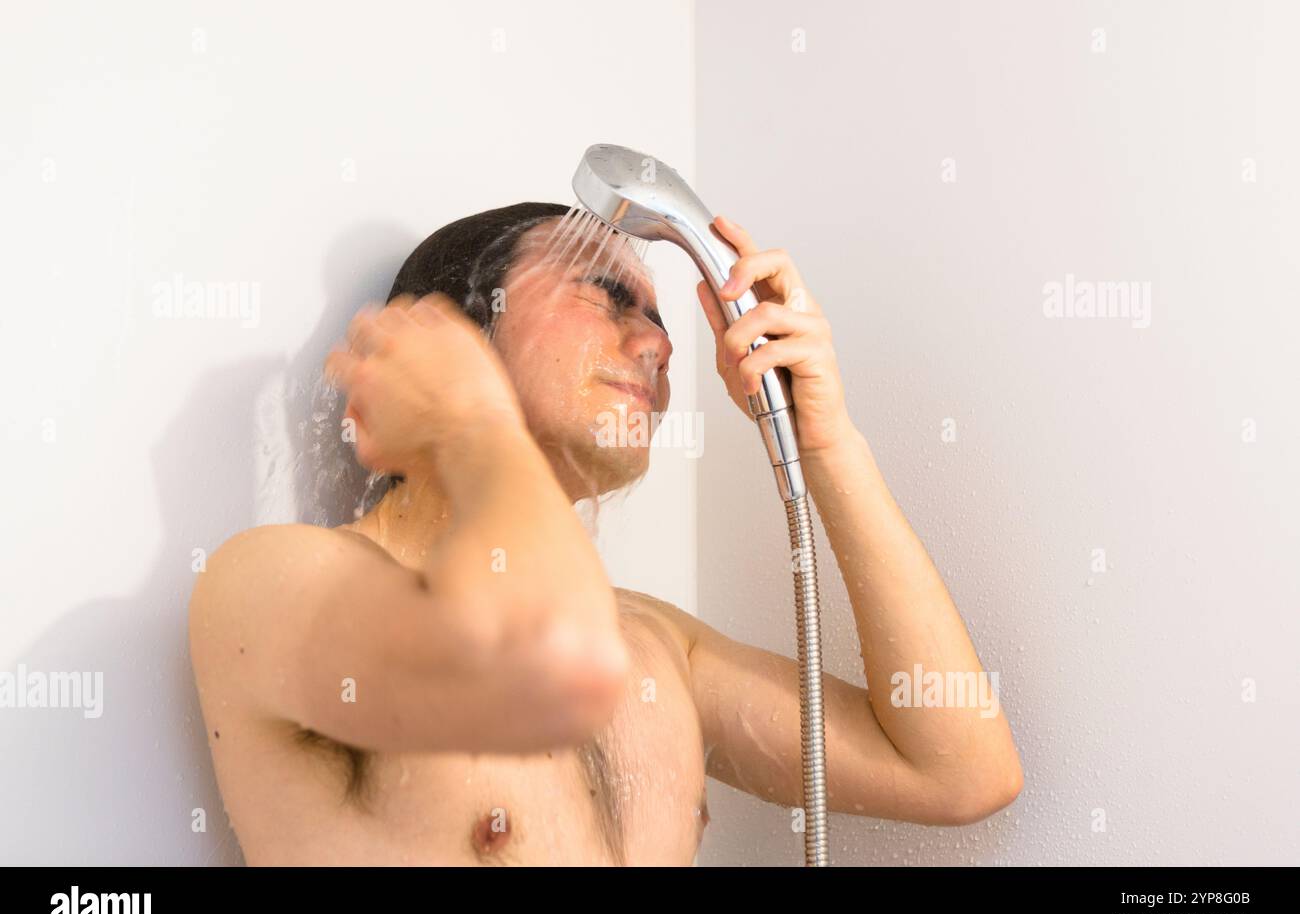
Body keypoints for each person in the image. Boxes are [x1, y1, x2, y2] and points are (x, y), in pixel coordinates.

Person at [188, 201, 1023, 865]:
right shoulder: (276, 582)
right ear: (451, 330)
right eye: (604, 294)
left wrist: (828, 440)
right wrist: (471, 419)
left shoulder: (660, 648)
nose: (660, 344)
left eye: (661, 320)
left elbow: (959, 771)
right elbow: (555, 666)